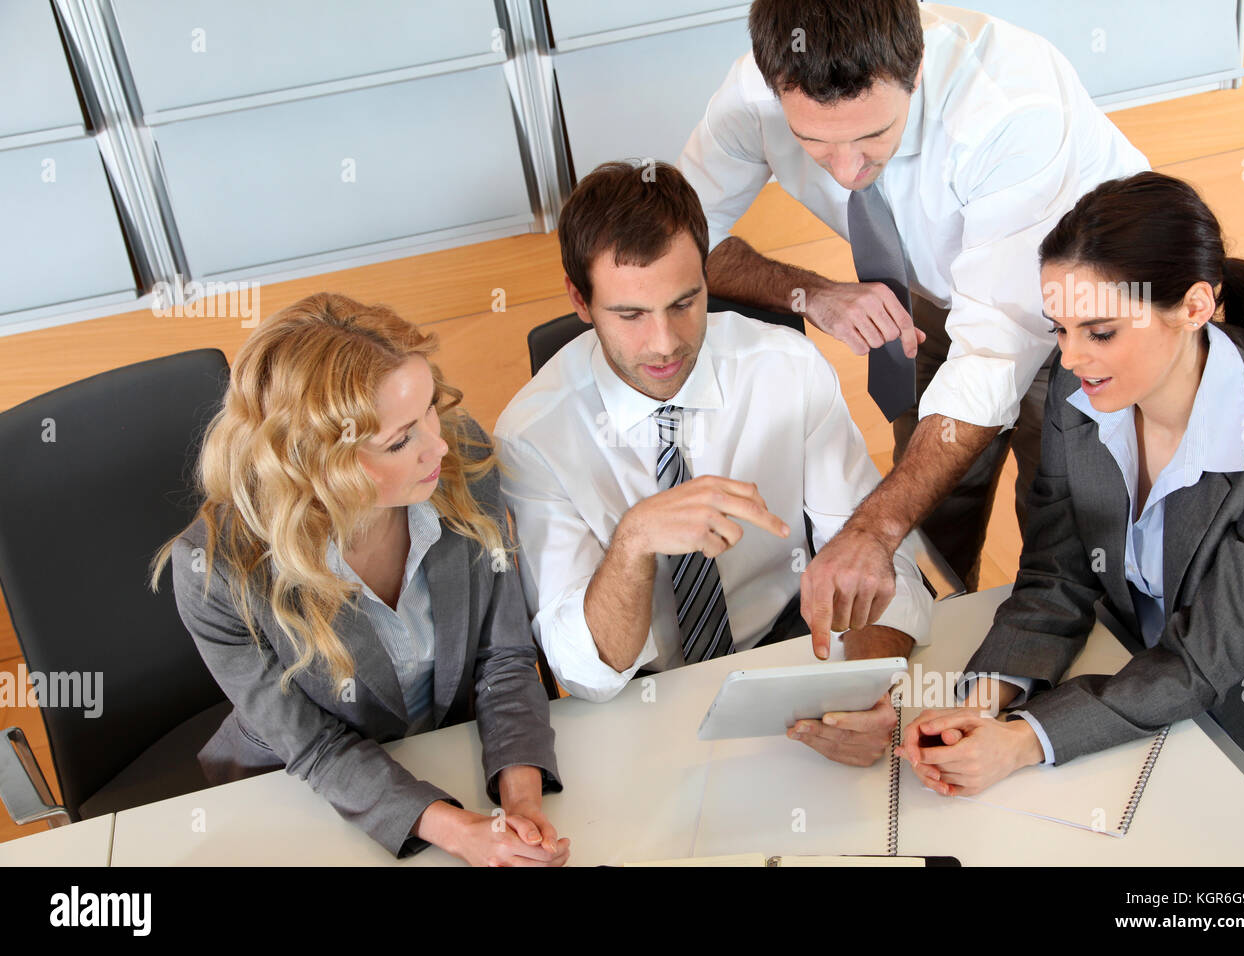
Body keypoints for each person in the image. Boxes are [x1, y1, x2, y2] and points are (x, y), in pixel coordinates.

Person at [678, 0, 1149, 643]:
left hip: (1090, 304)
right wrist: (809, 292)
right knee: (930, 501)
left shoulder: (1010, 108)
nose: (845, 170)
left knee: (1067, 519)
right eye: (813, 142)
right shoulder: (750, 97)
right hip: (935, 292)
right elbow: (682, 242)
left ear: (917, 68)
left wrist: (871, 529)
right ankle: (955, 629)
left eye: (873, 137)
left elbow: (992, 359)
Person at [494, 160, 932, 767]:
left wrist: (875, 690)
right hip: (645, 696)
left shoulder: (786, 366)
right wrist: (634, 539)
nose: (665, 342)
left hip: (795, 651)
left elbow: (875, 556)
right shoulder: (531, 435)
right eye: (630, 315)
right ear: (579, 299)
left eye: (685, 301)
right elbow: (587, 672)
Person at [896, 172, 1244, 805]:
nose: (1073, 357)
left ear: (1195, 307)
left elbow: (1204, 661)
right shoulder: (1078, 388)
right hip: (1130, 678)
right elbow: (1058, 572)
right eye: (1059, 328)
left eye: (1100, 331)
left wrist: (1026, 740)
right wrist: (986, 704)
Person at [149, 293, 569, 865]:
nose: (437, 443)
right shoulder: (216, 573)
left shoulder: (461, 460)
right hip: (300, 799)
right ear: (315, 464)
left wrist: (520, 804)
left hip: (448, 753)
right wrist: (461, 832)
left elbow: (505, 657)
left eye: (429, 407)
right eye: (400, 440)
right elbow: (317, 748)